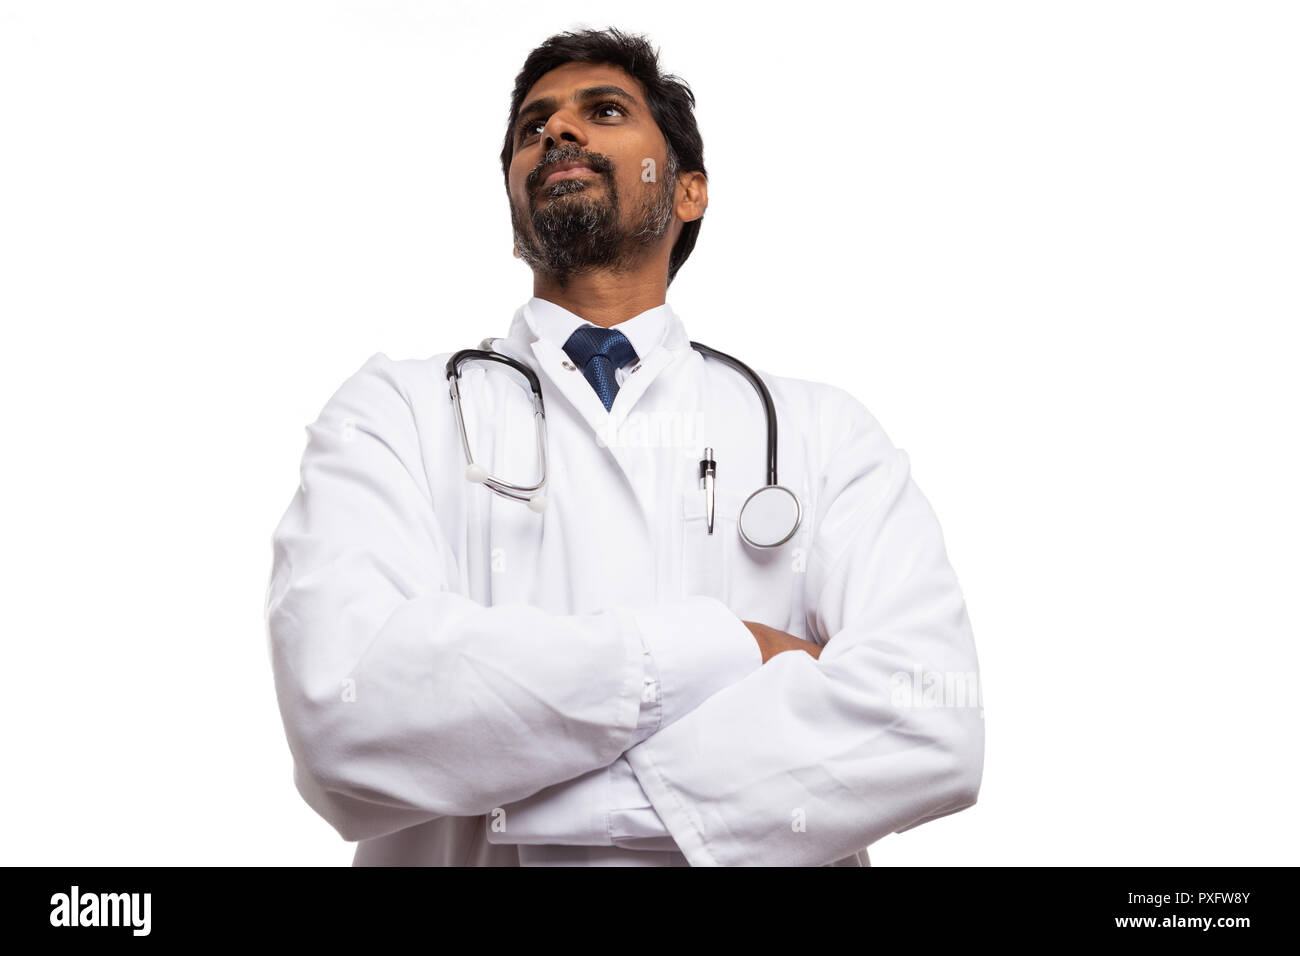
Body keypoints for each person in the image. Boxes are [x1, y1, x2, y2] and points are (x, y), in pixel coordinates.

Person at [264, 26, 984, 867]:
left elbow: (930, 720)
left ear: (687, 194)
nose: (558, 133)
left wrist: (557, 796)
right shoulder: (392, 412)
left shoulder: (826, 434)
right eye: (534, 128)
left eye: (603, 111)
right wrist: (736, 648)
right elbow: (345, 715)